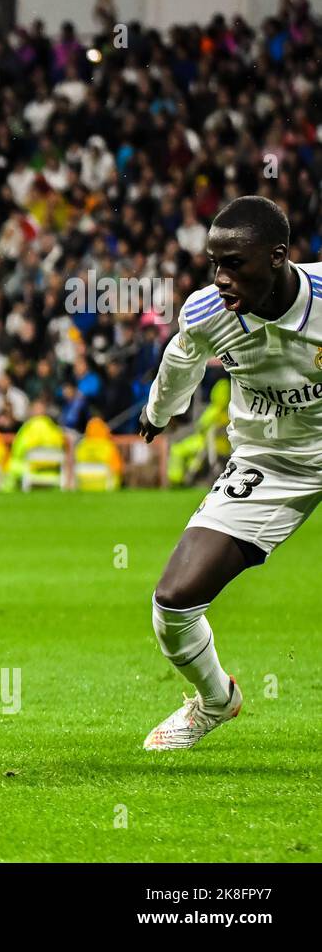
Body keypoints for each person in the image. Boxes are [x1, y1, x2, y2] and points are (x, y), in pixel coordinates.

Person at [140, 195, 322, 749]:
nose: (221, 278)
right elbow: (180, 359)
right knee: (172, 603)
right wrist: (158, 412)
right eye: (214, 264)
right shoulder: (206, 312)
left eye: (234, 264)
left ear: (277, 257)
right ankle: (216, 700)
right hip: (270, 461)